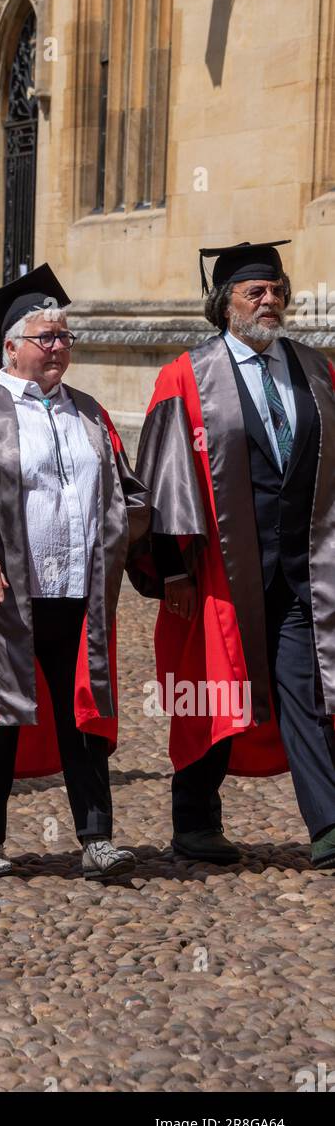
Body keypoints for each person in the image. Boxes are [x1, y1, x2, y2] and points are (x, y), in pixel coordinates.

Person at [0, 265, 150, 878]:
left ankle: (96, 837)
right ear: (11, 346)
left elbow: (126, 489)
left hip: (77, 589)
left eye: (65, 336)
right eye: (47, 337)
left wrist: (122, 535)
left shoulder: (90, 413)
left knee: (83, 713)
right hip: (8, 588)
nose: (60, 346)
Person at [130, 240, 335, 870]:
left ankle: (328, 827)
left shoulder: (317, 368)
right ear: (225, 305)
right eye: (256, 292)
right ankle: (194, 825)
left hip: (303, 564)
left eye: (276, 289)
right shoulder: (186, 376)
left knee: (309, 689)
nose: (270, 300)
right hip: (217, 570)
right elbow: (162, 484)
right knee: (211, 692)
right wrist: (170, 569)